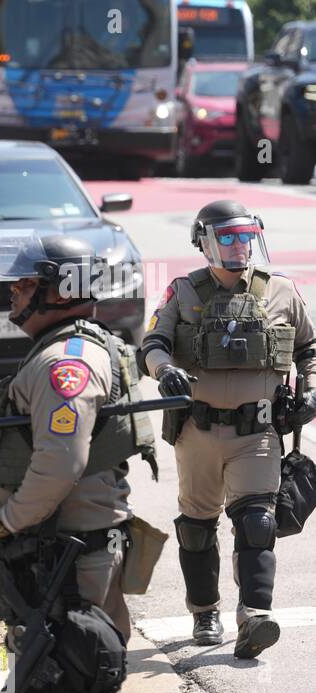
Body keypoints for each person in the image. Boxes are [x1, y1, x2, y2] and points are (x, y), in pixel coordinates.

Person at [0, 230, 143, 693]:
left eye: (24, 283)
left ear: (59, 291)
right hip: (73, 549)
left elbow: (61, 461)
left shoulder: (66, 362)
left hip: (61, 556)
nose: (13, 292)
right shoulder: (73, 348)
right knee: (81, 689)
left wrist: (6, 525)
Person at [140, 200, 316, 658]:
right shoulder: (183, 292)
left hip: (257, 433)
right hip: (197, 431)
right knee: (197, 527)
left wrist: (312, 390)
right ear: (204, 242)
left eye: (245, 236)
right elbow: (152, 345)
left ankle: (255, 615)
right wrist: (164, 371)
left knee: (258, 522)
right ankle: (205, 611)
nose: (239, 247)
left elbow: (309, 347)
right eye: (227, 237)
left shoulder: (281, 291)